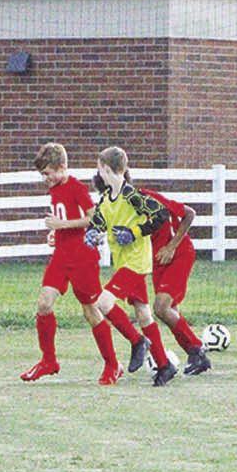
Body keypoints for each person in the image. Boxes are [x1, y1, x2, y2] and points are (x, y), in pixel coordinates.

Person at [20, 142, 136, 387]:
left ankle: (113, 363)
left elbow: (93, 218)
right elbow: (65, 219)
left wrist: (62, 226)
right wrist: (56, 234)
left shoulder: (76, 187)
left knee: (92, 310)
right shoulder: (55, 188)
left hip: (82, 257)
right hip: (62, 256)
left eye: (48, 173)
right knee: (44, 303)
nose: (45, 179)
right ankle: (48, 361)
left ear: (62, 167)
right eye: (43, 175)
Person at [88, 146, 177, 386]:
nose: (98, 175)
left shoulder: (132, 196)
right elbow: (97, 221)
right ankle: (164, 365)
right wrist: (92, 234)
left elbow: (161, 215)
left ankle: (138, 341)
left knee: (103, 302)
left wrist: (134, 232)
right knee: (143, 313)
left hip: (136, 261)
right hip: (123, 262)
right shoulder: (106, 199)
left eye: (100, 170)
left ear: (107, 169)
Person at [136, 182, 211, 376]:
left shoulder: (147, 198)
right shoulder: (118, 209)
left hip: (179, 254)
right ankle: (195, 355)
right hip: (157, 261)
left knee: (161, 307)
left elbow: (189, 213)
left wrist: (171, 246)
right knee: (170, 311)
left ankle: (196, 349)